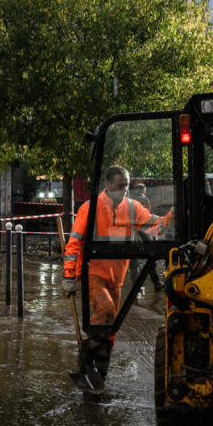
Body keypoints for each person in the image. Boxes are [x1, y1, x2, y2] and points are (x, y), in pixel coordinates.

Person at [62, 165, 171, 395]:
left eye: (127, 186)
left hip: (117, 278)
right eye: (120, 185)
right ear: (107, 184)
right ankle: (86, 362)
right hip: (93, 273)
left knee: (111, 329)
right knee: (107, 311)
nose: (124, 190)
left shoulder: (132, 208)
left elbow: (153, 226)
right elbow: (73, 244)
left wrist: (172, 217)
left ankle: (97, 378)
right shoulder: (90, 208)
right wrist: (70, 276)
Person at [128, 182, 164, 292]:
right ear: (143, 190)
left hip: (131, 231)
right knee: (150, 255)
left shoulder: (130, 200)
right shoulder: (144, 200)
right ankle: (156, 283)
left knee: (133, 260)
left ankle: (136, 286)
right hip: (144, 230)